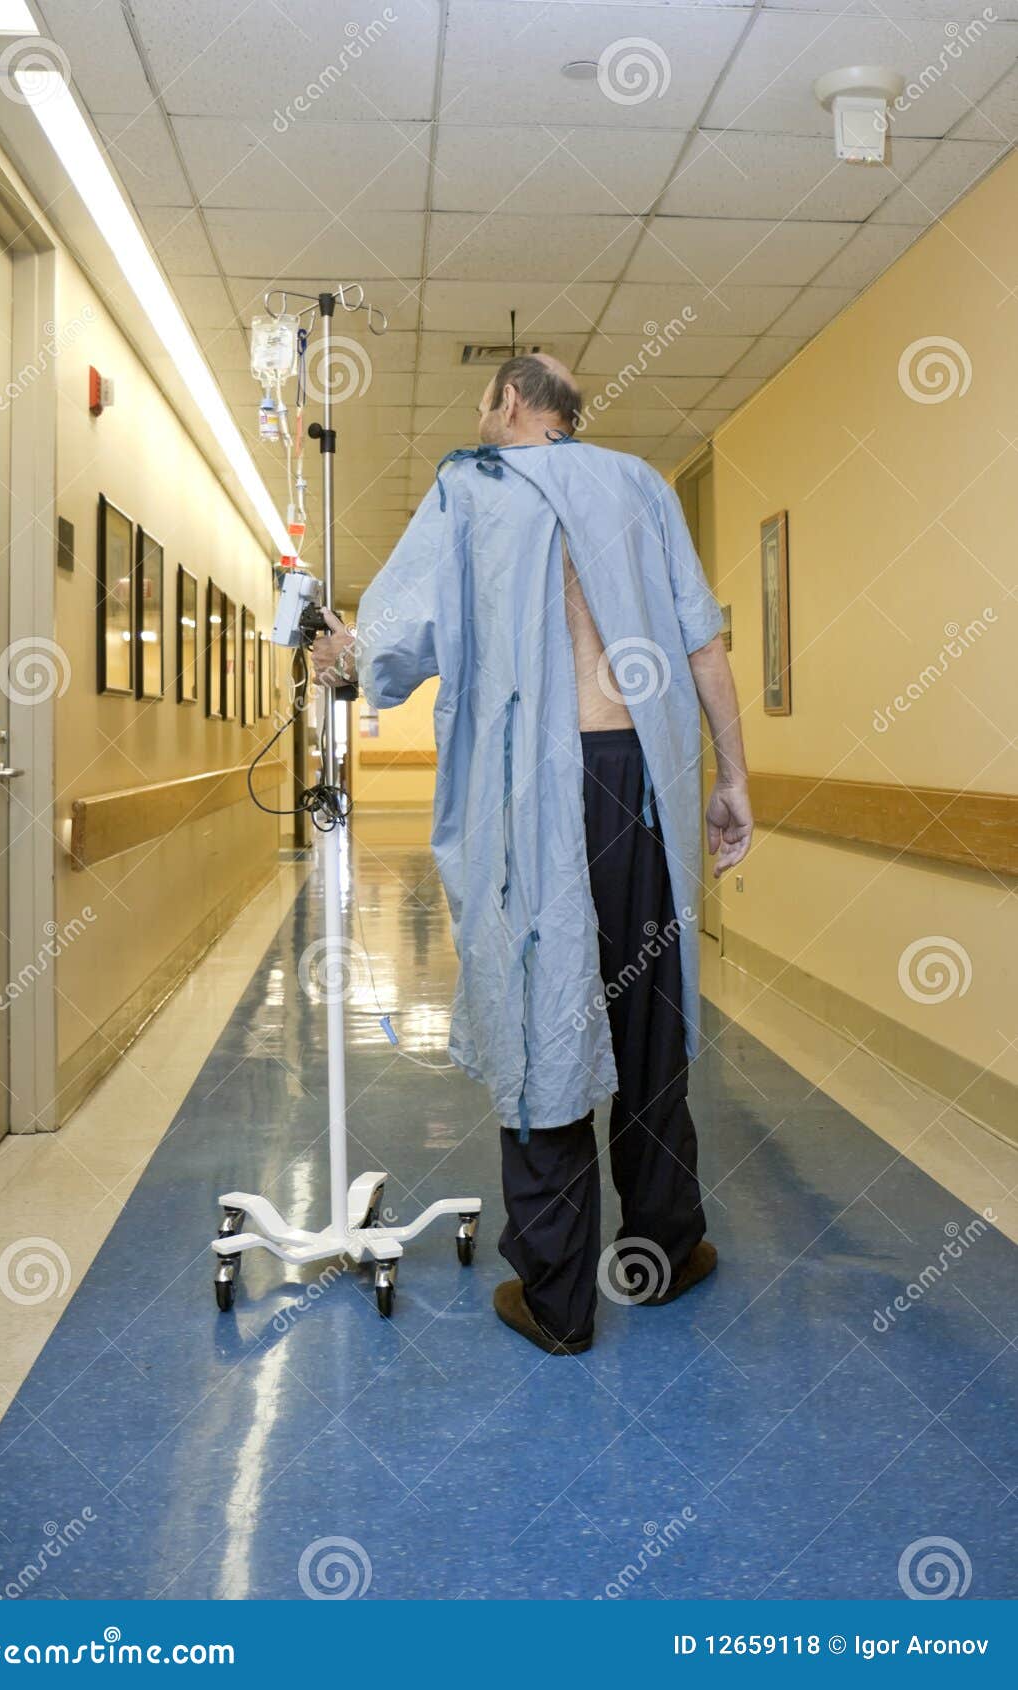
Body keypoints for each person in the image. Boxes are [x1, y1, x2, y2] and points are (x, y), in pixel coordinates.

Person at [311, 354, 752, 1356]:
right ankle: (664, 1249)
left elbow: (392, 637)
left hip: (532, 795)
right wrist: (731, 779)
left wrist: (339, 649)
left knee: (538, 1015)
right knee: (648, 1018)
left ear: (507, 403)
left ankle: (556, 1298)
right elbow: (702, 646)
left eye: (484, 402)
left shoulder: (471, 485)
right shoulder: (639, 486)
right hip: (638, 782)